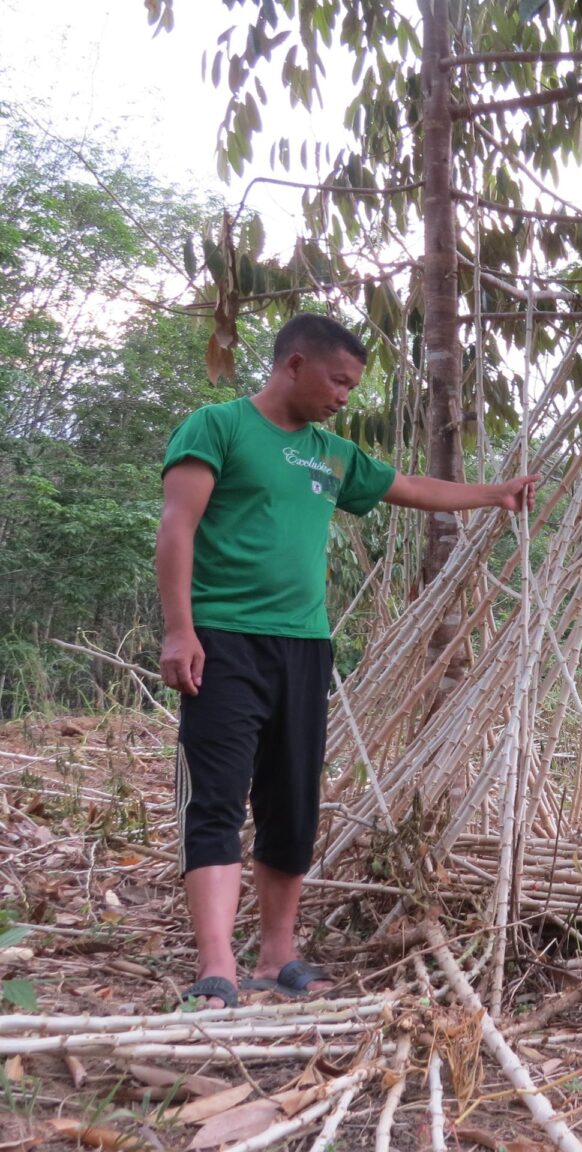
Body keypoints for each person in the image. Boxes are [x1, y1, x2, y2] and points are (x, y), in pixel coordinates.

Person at [157, 313, 538, 1010]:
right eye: (338, 381)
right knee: (215, 797)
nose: (344, 397)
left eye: (353, 386)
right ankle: (216, 968)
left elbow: (411, 488)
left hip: (305, 645)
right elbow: (177, 524)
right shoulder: (218, 428)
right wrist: (179, 630)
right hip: (223, 639)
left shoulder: (330, 455)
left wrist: (495, 494)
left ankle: (278, 956)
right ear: (294, 364)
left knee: (292, 800)